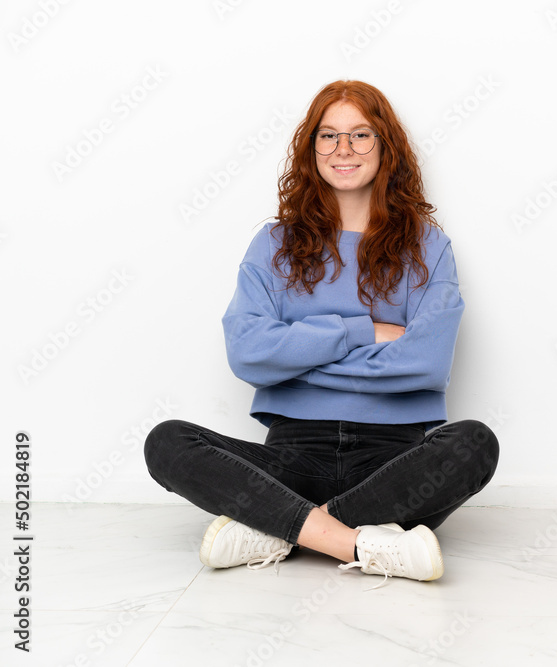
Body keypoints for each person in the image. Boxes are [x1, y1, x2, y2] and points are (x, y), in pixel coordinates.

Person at [144, 80, 499, 587]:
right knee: (167, 443)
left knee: (475, 443)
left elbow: (427, 362)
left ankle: (281, 528)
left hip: (391, 462)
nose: (343, 149)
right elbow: (248, 353)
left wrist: (296, 357)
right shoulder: (274, 244)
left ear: (386, 146)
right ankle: (357, 542)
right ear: (311, 149)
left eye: (361, 135)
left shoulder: (428, 247)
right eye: (328, 136)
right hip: (292, 455)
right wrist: (363, 330)